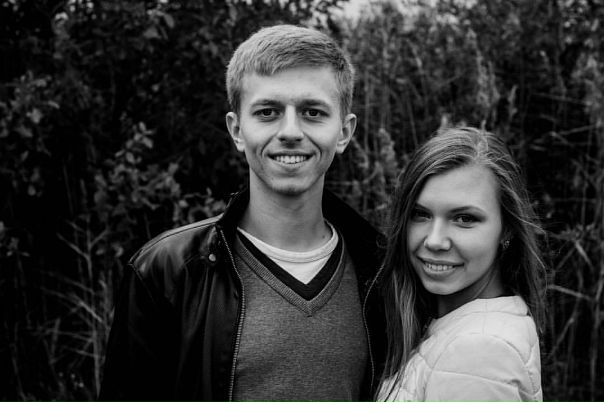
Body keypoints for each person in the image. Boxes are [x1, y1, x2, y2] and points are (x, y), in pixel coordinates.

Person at [98, 24, 385, 402]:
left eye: (313, 112)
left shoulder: (383, 271)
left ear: (344, 132)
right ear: (236, 130)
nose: (290, 131)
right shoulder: (167, 271)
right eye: (267, 112)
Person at [377, 127, 546, 402]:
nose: (434, 241)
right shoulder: (462, 328)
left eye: (465, 219)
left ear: (506, 229)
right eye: (420, 214)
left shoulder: (479, 351)